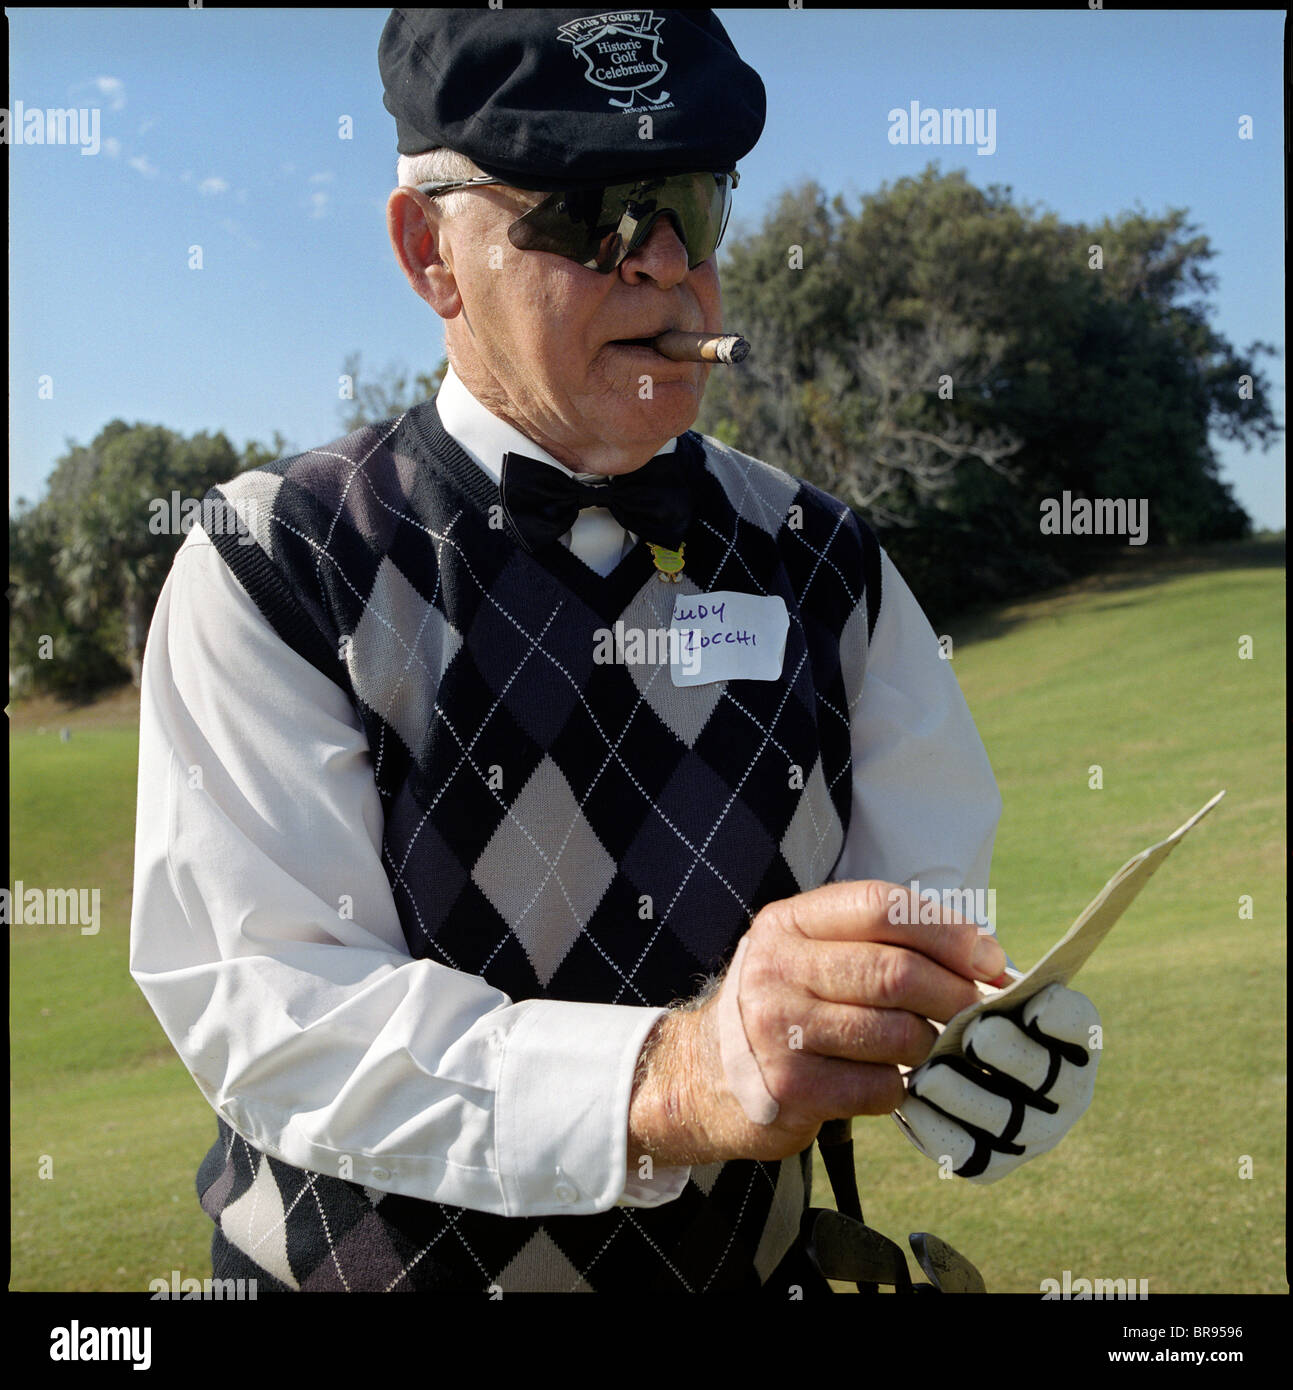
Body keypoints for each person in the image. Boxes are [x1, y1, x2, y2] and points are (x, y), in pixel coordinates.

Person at [129, 7, 1100, 1294]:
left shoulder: (832, 561)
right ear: (432, 252)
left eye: (691, 205)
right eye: (593, 215)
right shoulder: (275, 560)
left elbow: (925, 914)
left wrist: (960, 1039)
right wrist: (672, 1075)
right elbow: (277, 1012)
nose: (662, 266)